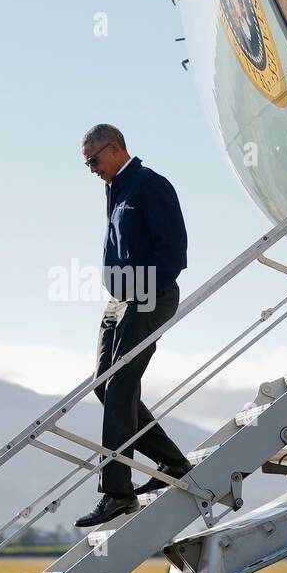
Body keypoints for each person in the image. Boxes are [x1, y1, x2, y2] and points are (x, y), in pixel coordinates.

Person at [76, 124, 193, 527]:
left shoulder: (149, 184)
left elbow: (174, 251)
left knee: (122, 385)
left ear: (114, 149)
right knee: (104, 387)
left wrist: (141, 290)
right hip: (118, 301)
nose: (91, 169)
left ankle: (116, 491)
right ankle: (174, 463)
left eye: (93, 160)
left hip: (148, 296)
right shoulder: (115, 189)